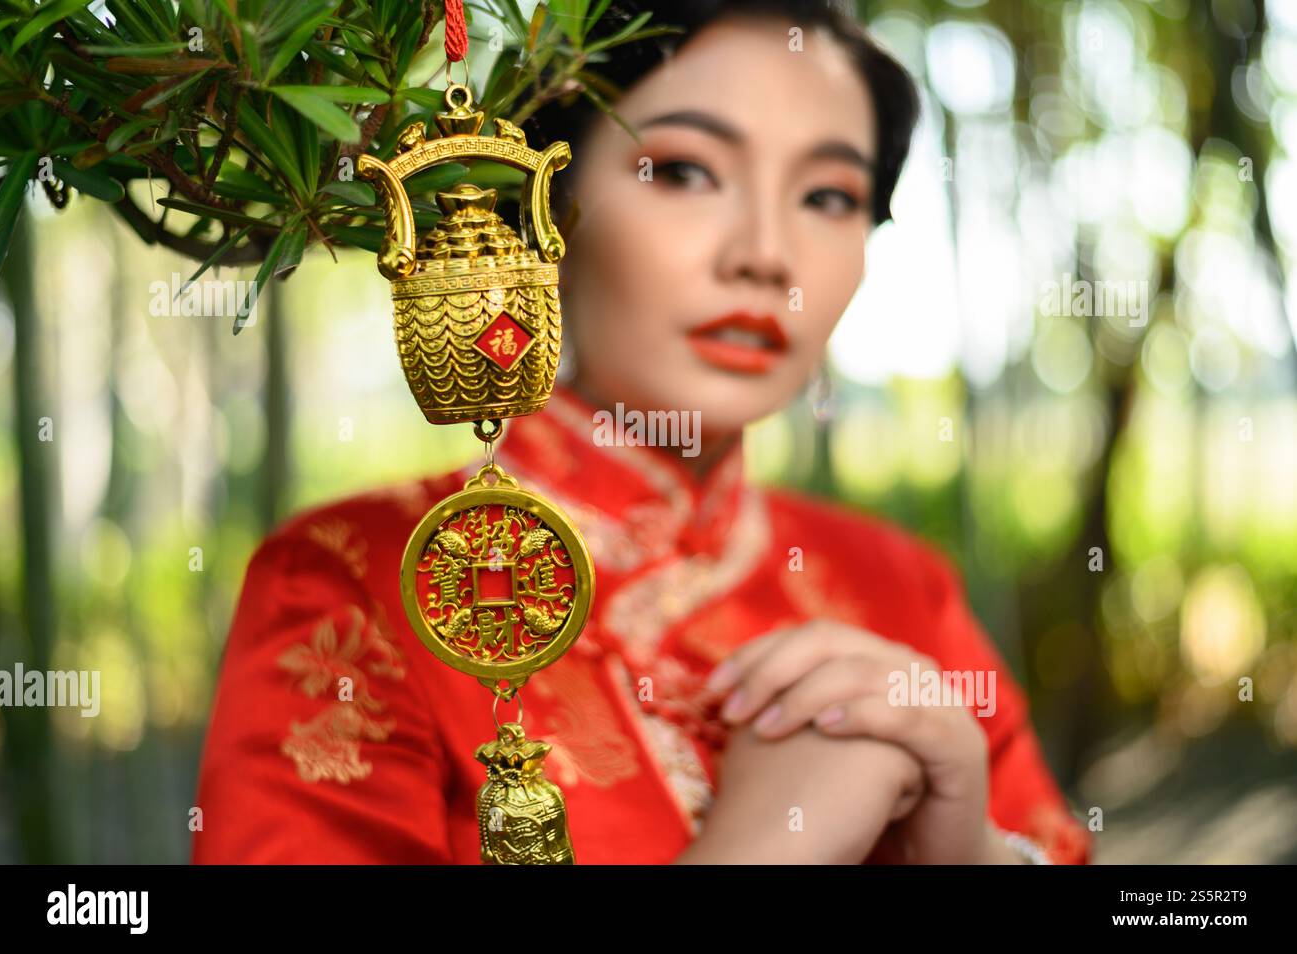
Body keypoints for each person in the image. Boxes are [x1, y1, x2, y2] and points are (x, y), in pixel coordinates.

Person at [192, 0, 1092, 865]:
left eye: (827, 195)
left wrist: (968, 851)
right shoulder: (354, 582)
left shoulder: (900, 588)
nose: (764, 254)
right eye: (687, 171)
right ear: (552, 207)